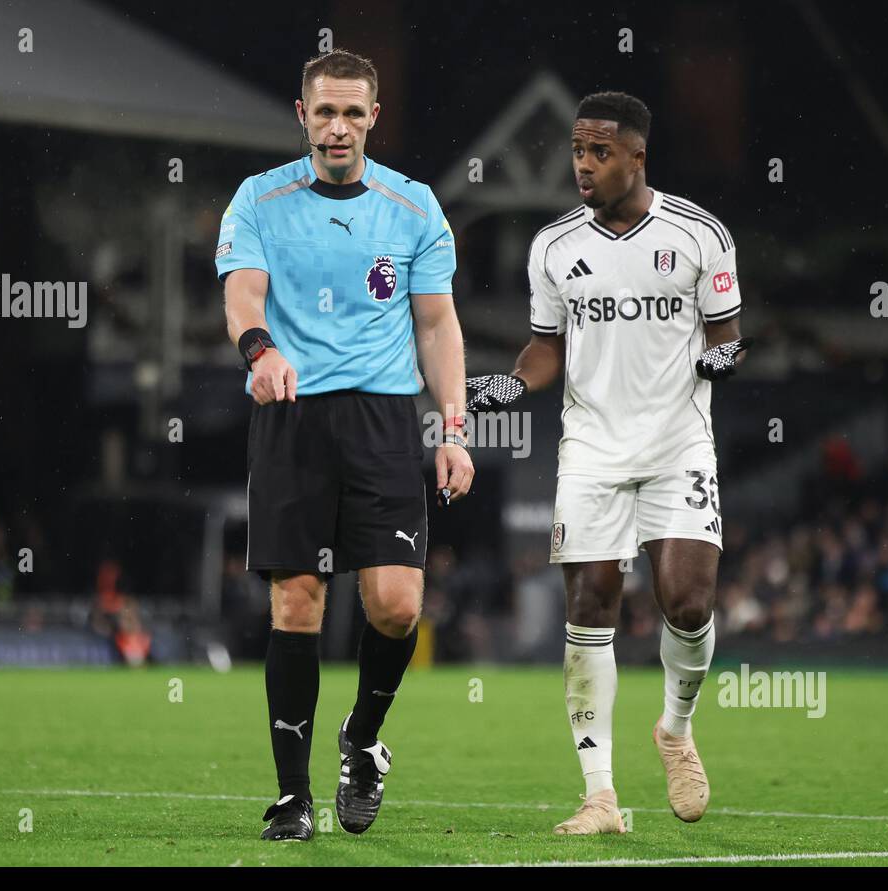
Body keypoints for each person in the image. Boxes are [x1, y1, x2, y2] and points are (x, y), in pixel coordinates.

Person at [466, 91, 751, 834]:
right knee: (590, 608)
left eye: (598, 152)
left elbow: (727, 333)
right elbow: (545, 347)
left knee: (687, 604)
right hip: (591, 448)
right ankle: (600, 796)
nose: (583, 166)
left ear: (637, 156)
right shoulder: (555, 247)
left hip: (677, 444)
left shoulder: (700, 235)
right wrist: (508, 382)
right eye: (576, 152)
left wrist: (722, 360)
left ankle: (676, 729)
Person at [216, 49, 474, 841]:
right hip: (292, 418)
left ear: (373, 117)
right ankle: (293, 800)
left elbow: (436, 324)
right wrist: (261, 352)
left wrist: (454, 427)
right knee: (297, 601)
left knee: (397, 607)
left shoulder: (414, 205)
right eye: (323, 112)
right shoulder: (259, 200)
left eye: (352, 113)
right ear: (302, 115)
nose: (337, 127)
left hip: (385, 421)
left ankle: (362, 740)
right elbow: (241, 294)